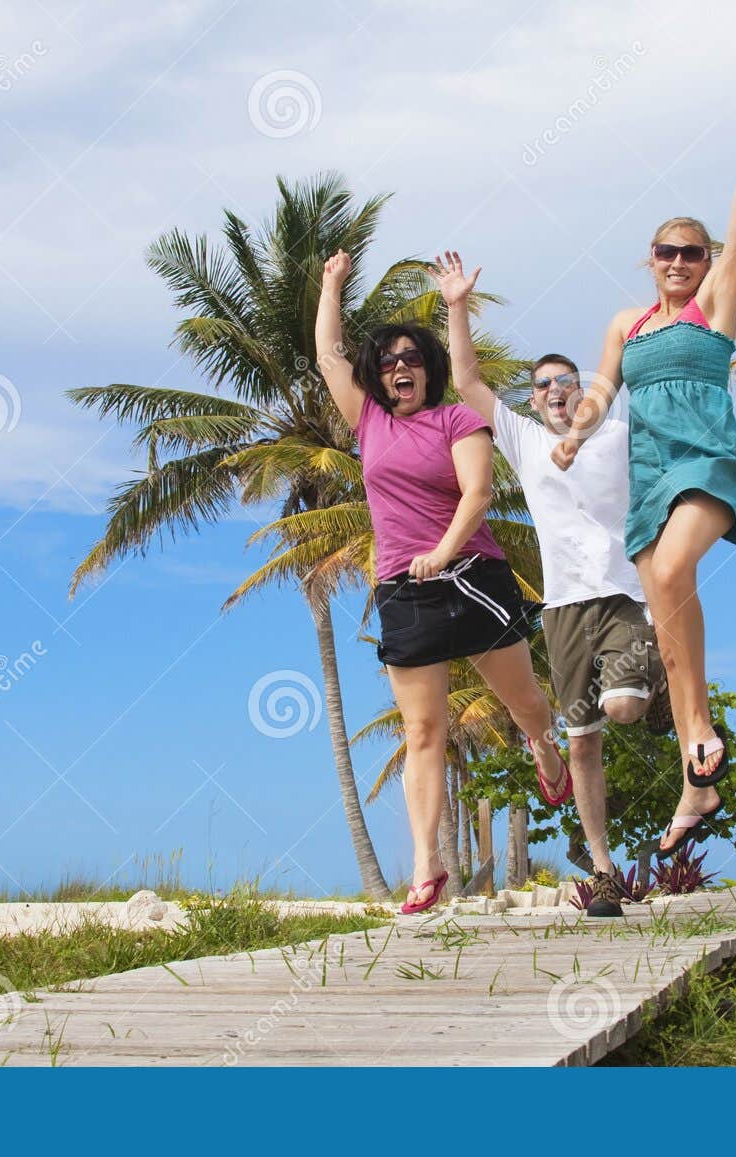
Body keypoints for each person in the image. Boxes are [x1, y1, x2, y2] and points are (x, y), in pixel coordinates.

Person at [553, 62, 736, 860]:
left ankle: (703, 727)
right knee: (670, 624)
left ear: (707, 258)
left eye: (690, 251)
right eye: (665, 252)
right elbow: (603, 384)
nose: (678, 262)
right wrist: (578, 430)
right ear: (649, 259)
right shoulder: (628, 321)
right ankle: (697, 771)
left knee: (677, 571)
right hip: (651, 475)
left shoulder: (717, 303)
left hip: (706, 460)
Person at [314, 248, 572, 916]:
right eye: (390, 361)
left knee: (526, 708)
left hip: (472, 577)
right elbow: (326, 356)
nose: (402, 368)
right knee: (423, 730)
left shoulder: (458, 418)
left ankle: (549, 756)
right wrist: (332, 284)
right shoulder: (369, 421)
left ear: (429, 368)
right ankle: (427, 866)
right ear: (380, 374)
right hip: (404, 590)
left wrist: (443, 550)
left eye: (413, 358)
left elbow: (478, 493)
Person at [436, 252, 665, 919]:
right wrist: (456, 305)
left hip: (624, 595)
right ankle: (602, 871)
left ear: (583, 388)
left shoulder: (616, 430)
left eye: (566, 381)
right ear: (532, 400)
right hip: (562, 609)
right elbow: (467, 378)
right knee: (583, 739)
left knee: (622, 705)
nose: (556, 391)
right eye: (543, 386)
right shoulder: (525, 441)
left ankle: (654, 690)